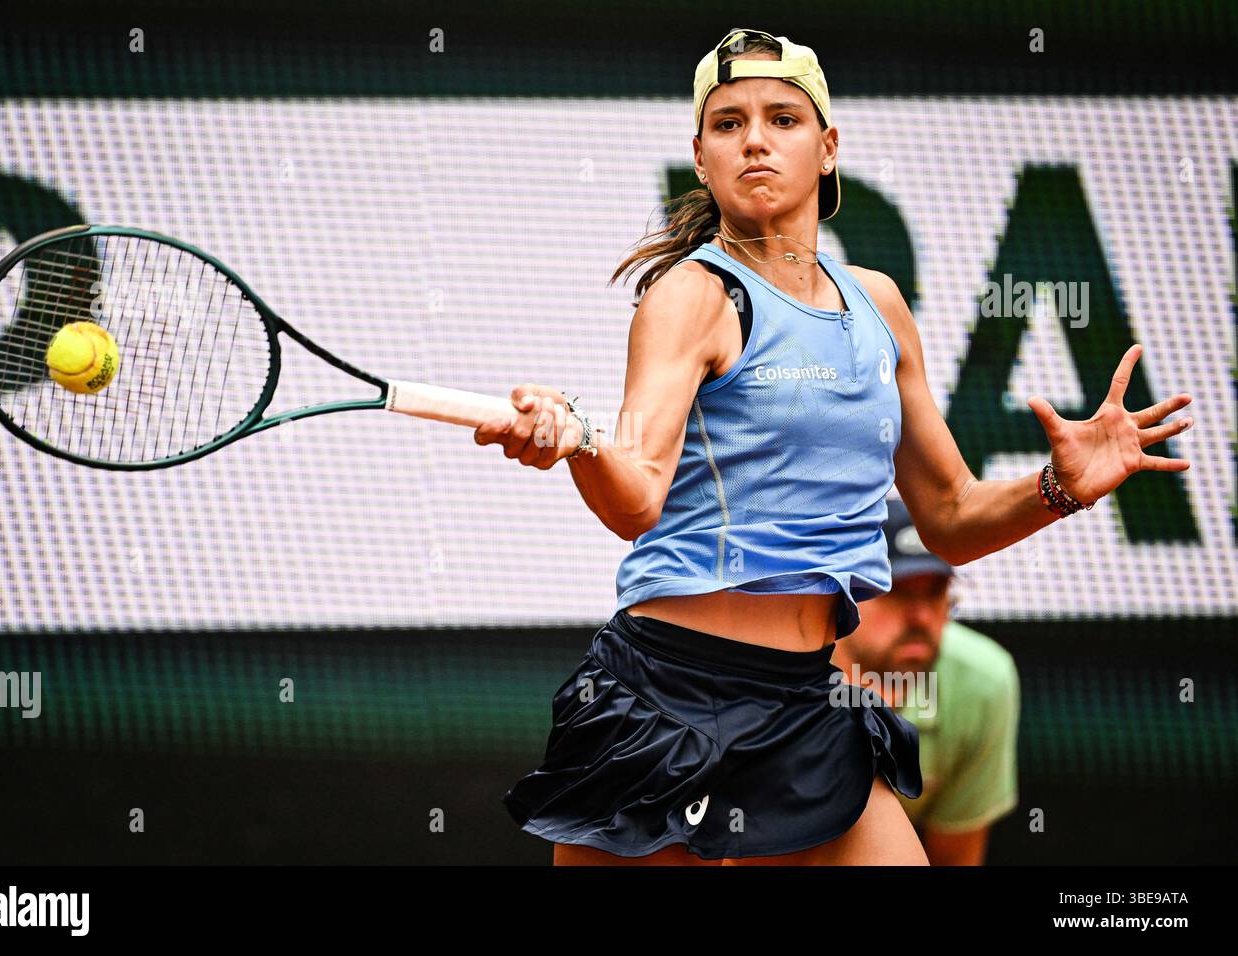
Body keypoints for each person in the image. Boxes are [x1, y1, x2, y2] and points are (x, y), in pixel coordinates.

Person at [474, 26, 1193, 866]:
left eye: (782, 117)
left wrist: (1057, 488)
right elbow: (636, 500)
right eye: (728, 122)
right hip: (662, 699)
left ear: (827, 147)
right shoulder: (690, 297)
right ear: (701, 158)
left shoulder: (879, 308)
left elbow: (952, 515)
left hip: (808, 701)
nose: (754, 139)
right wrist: (580, 441)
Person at [831, 498, 1020, 865]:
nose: (920, 616)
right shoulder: (779, 673)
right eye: (895, 590)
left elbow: (954, 860)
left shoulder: (982, 684)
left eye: (935, 592)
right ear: (844, 595)